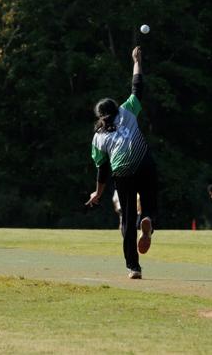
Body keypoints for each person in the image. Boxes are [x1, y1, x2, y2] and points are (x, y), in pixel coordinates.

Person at [86, 46, 158, 279]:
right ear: (115, 108)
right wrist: (137, 60)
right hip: (144, 163)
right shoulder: (127, 111)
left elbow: (103, 169)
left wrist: (97, 194)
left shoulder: (99, 137)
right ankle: (147, 219)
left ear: (100, 117)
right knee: (148, 199)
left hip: (122, 172)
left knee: (127, 219)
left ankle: (133, 268)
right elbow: (137, 86)